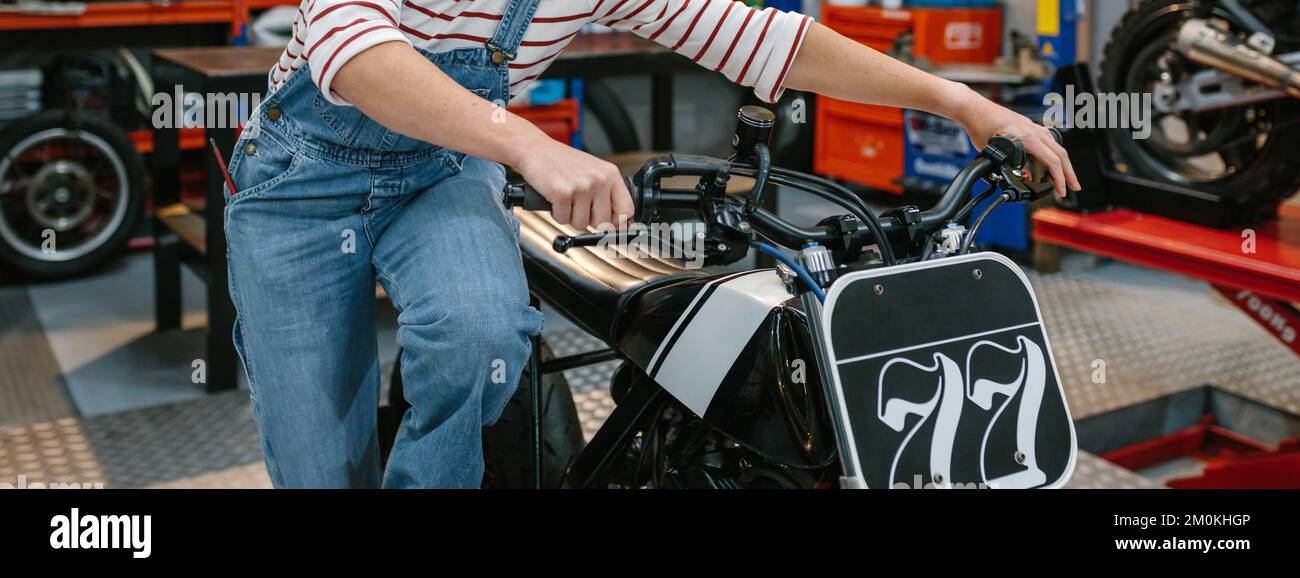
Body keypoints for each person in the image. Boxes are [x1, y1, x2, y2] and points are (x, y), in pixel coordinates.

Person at [225, 0, 1081, 488]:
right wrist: (529, 144)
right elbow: (354, 50)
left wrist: (963, 102)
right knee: (318, 464)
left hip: (444, 171)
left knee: (481, 333)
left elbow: (760, 38)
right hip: (298, 189)